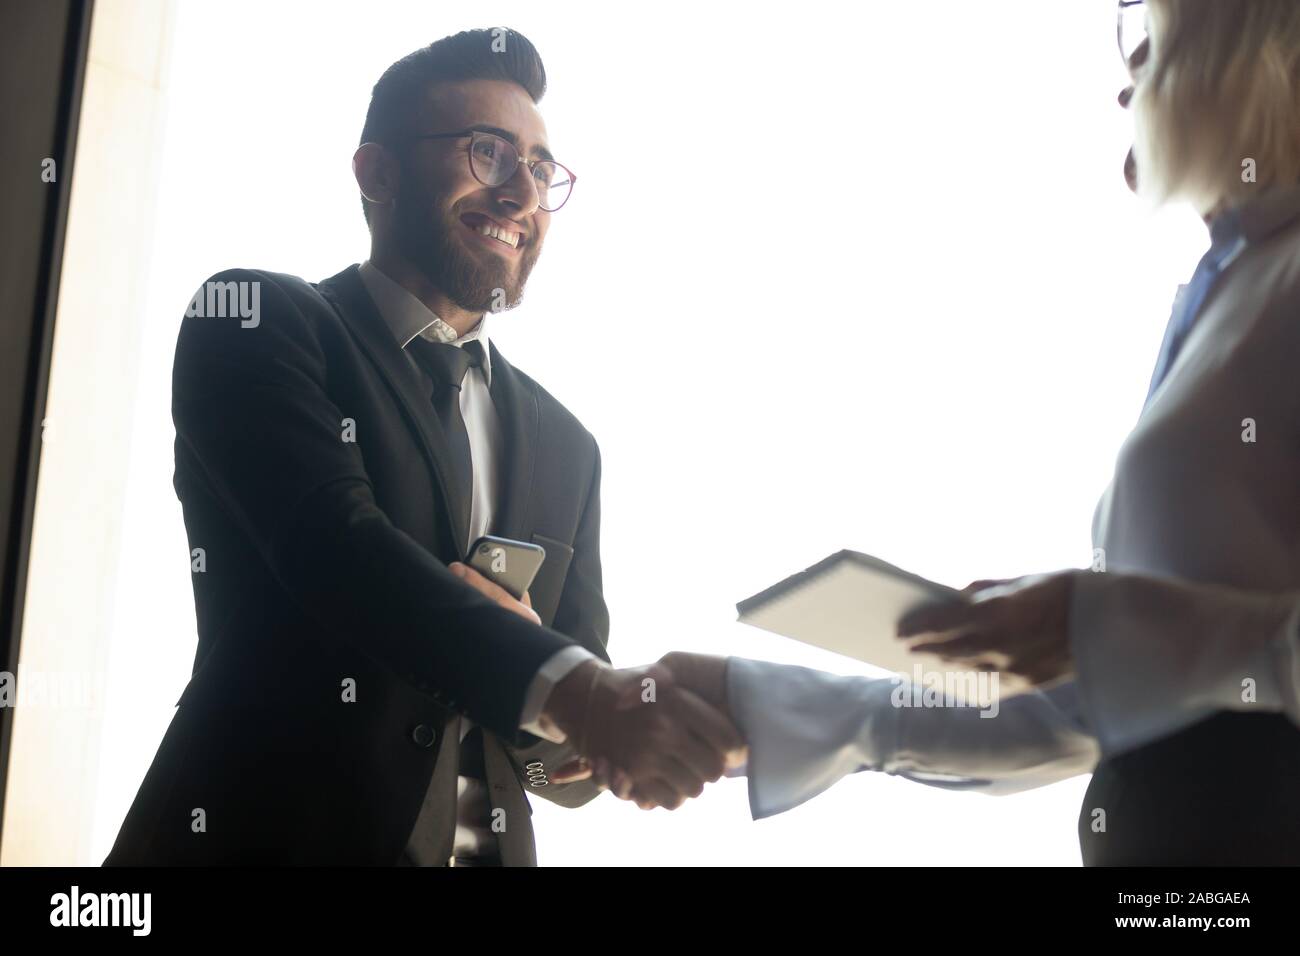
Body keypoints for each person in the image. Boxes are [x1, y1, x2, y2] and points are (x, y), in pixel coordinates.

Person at [607, 0, 1300, 865]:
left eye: (1150, 43)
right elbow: (1087, 713)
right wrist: (763, 702)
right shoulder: (1227, 292)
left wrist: (1112, 627)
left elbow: (1175, 662)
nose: (1129, 87)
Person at [104, 27, 742, 867]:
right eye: (489, 152)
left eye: (542, 169)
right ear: (378, 173)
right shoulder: (255, 318)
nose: (522, 193)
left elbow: (569, 771)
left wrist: (618, 720)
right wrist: (578, 688)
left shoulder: (568, 447)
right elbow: (334, 548)